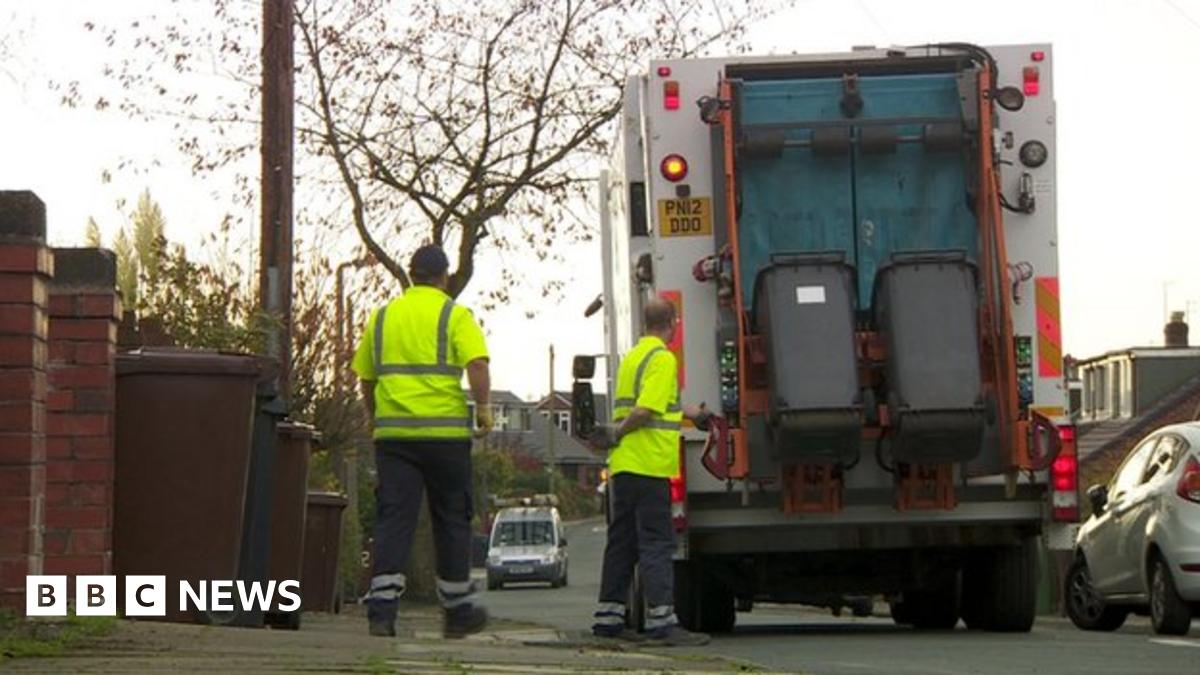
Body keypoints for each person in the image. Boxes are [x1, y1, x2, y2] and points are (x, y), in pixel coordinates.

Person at [352, 244, 494, 639]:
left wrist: (373, 415)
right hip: (445, 436)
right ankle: (457, 611)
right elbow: (477, 364)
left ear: (411, 275)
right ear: (444, 277)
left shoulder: (382, 318)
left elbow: (366, 377)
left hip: (394, 436)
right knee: (451, 518)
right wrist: (483, 407)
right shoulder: (454, 314)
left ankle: (382, 610)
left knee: (394, 518)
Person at [589, 298, 712, 646]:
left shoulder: (633, 358)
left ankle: (608, 619)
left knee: (622, 543)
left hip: (625, 466)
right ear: (672, 324)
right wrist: (620, 430)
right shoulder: (662, 359)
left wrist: (694, 413)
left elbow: (660, 405)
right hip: (649, 465)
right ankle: (662, 621)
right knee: (657, 542)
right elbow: (644, 411)